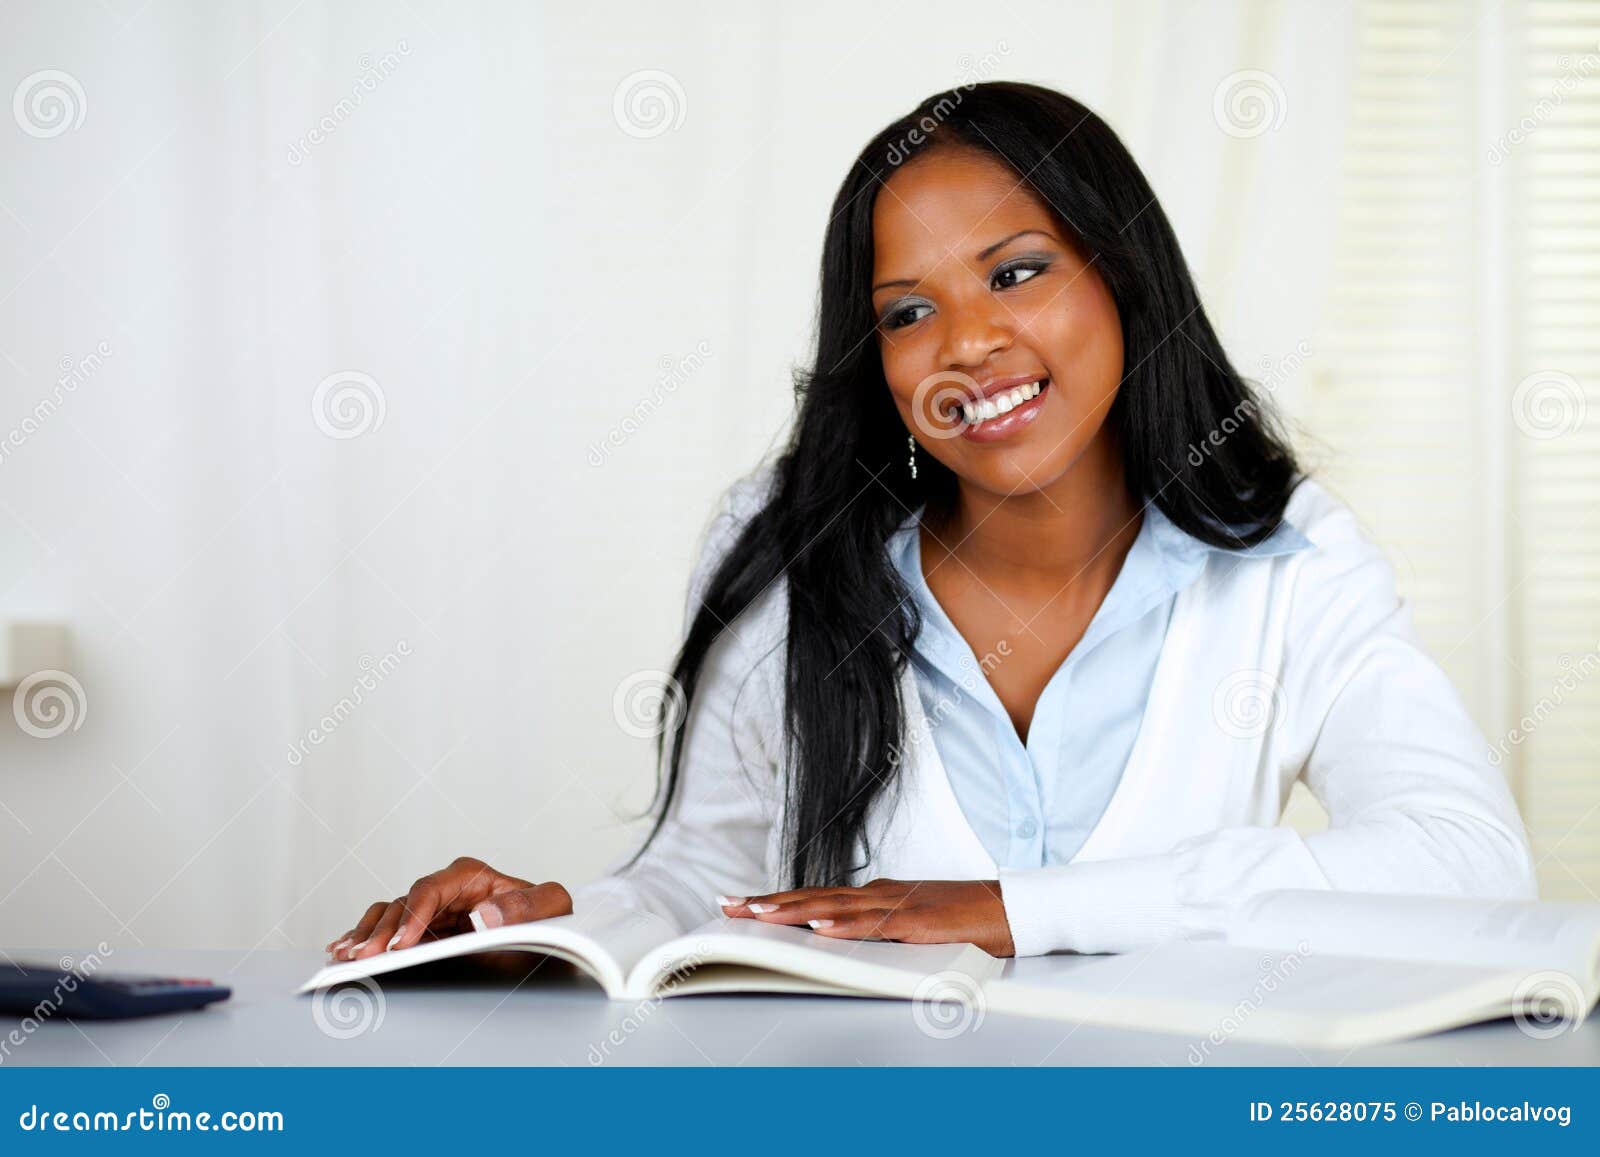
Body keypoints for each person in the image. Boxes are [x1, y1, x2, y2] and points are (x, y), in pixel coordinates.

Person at [325, 82, 1536, 964]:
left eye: (1017, 273)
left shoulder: (1286, 558)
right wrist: (539, 929)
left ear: (1123, 278)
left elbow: (1466, 864)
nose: (966, 341)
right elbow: (710, 881)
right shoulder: (790, 549)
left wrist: (1016, 909)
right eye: (907, 311)